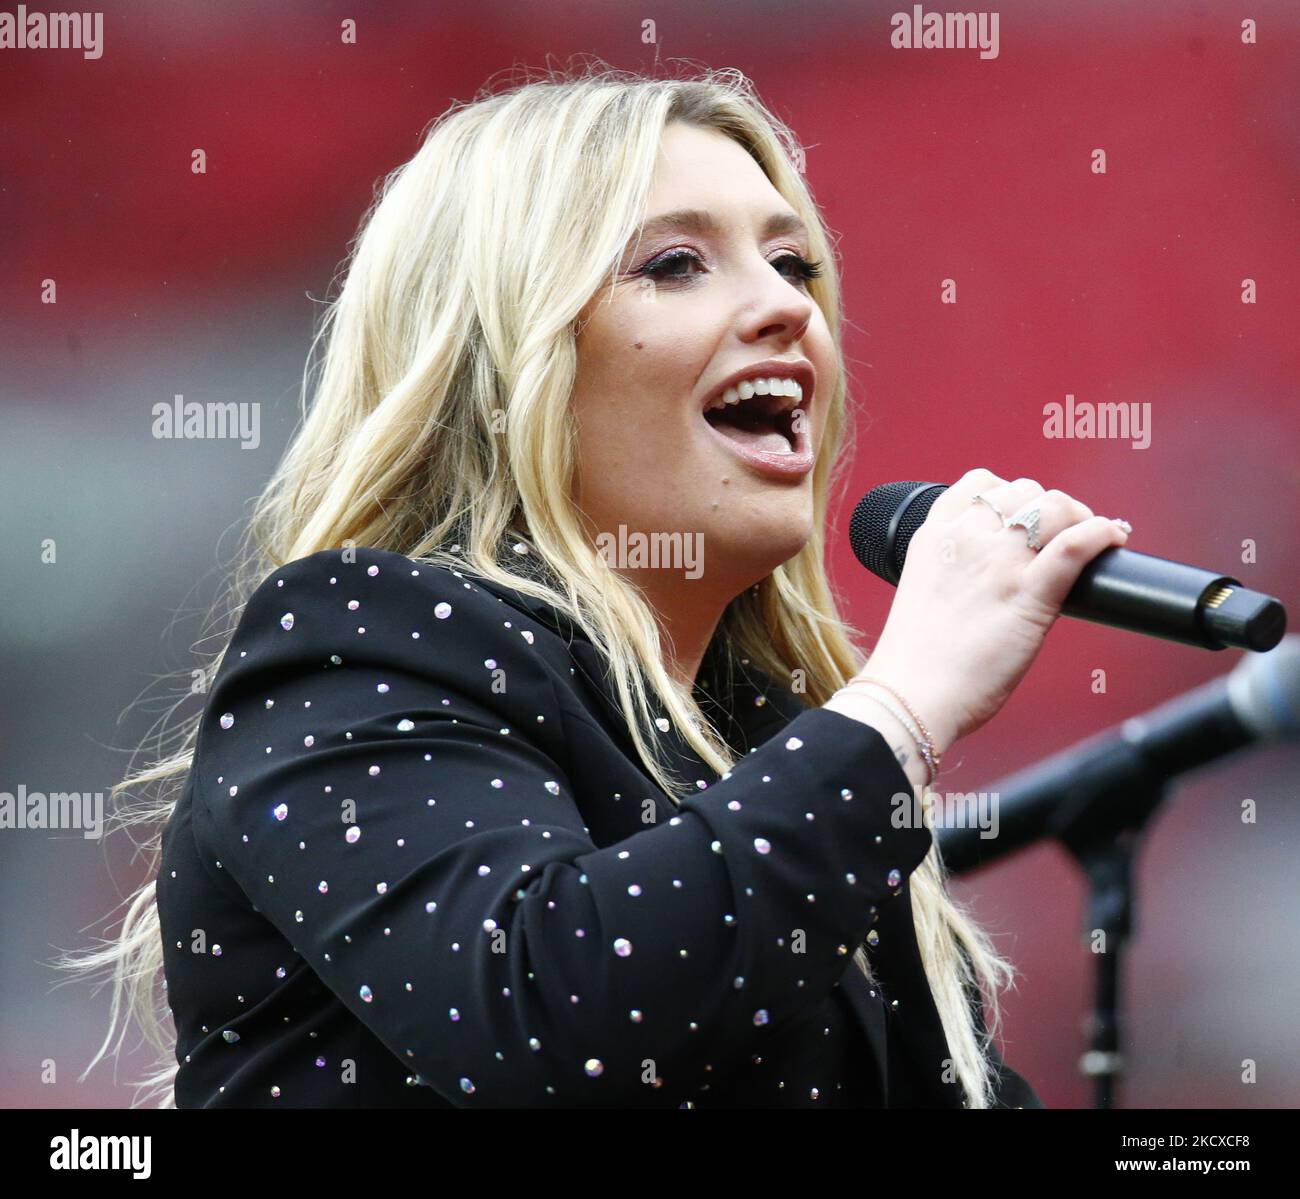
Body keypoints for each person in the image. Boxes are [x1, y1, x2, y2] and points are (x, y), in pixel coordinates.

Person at [64, 64, 1130, 1109]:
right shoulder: (358, 642)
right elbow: (546, 1019)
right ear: (500, 362)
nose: (783, 308)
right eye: (674, 264)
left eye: (794, 265)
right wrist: (904, 701)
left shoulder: (779, 747)